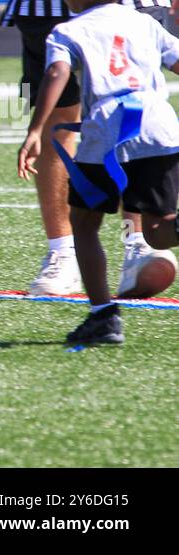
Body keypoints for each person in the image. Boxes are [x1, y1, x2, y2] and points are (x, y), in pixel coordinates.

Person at [18, 0, 179, 344]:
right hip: (159, 128)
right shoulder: (143, 22)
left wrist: (35, 130)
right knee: (159, 230)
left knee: (85, 224)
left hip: (106, 135)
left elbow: (56, 74)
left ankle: (103, 316)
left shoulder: (66, 30)